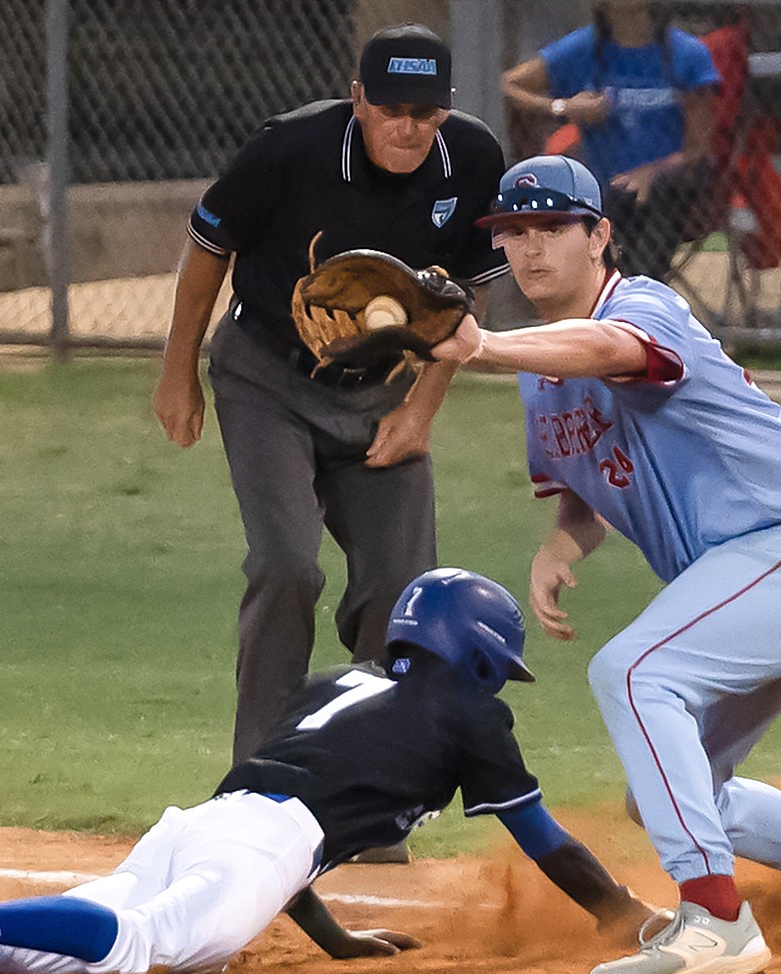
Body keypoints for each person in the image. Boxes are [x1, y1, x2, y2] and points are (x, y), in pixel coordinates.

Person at [428, 155, 781, 974]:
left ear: (599, 236)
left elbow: (615, 351)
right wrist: (564, 543)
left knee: (632, 673)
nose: (531, 250)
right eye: (514, 233)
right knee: (677, 788)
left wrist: (481, 344)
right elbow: (584, 485)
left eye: (553, 229)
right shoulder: (539, 372)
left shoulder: (645, 306)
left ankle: (714, 921)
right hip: (764, 567)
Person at [0, 568, 660, 974]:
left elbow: (293, 819)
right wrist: (627, 915)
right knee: (149, 946)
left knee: (73, 943)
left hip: (205, 821)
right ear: (476, 657)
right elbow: (547, 842)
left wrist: (333, 940)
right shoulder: (469, 713)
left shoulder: (342, 681)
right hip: (262, 839)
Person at [152, 27, 510, 866]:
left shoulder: (472, 160)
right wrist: (176, 374)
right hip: (267, 377)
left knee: (399, 589)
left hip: (386, 389)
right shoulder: (291, 150)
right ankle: (258, 790)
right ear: (358, 99)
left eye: (426, 113)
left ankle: (367, 802)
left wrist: (420, 412)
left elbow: (467, 305)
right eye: (391, 109)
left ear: (445, 112)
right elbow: (209, 251)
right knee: (287, 564)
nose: (408, 128)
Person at [501, 0, 720, 281]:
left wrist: (651, 173)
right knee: (611, 198)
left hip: (674, 189)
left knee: (656, 192)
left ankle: (637, 288)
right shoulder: (585, 48)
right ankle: (621, 292)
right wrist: (563, 107)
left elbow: (698, 149)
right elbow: (507, 85)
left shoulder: (686, 52)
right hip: (604, 187)